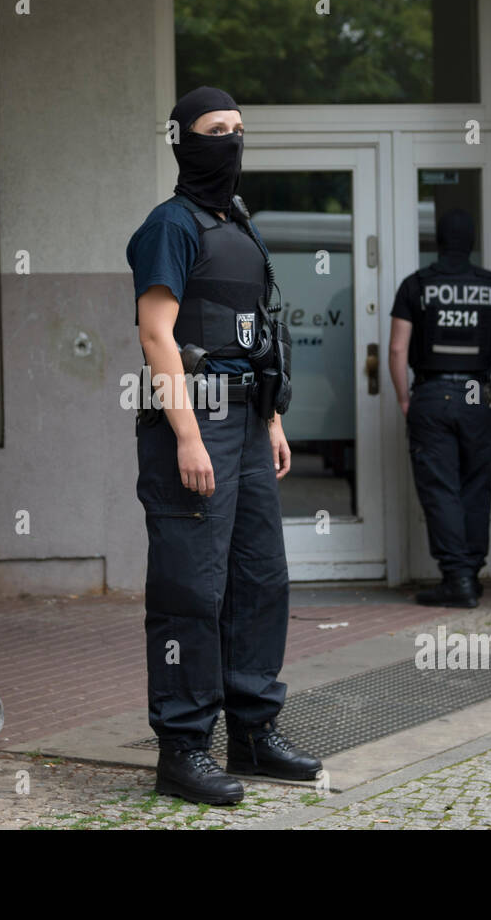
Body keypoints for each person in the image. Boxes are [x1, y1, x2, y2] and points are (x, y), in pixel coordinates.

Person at [127, 86, 321, 805]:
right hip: (197, 419)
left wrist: (270, 419)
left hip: (246, 421)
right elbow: (157, 334)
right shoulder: (169, 226)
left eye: (240, 129)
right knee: (190, 589)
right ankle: (182, 747)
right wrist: (186, 433)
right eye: (217, 130)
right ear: (183, 140)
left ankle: (253, 732)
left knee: (260, 579)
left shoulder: (240, 226)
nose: (232, 141)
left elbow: (260, 333)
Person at [389, 208, 491, 608]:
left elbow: (397, 349)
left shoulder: (416, 285)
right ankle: (471, 574)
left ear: (437, 239)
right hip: (474, 394)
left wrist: (403, 398)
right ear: (472, 241)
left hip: (431, 393)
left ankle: (457, 579)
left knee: (441, 486)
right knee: (475, 485)